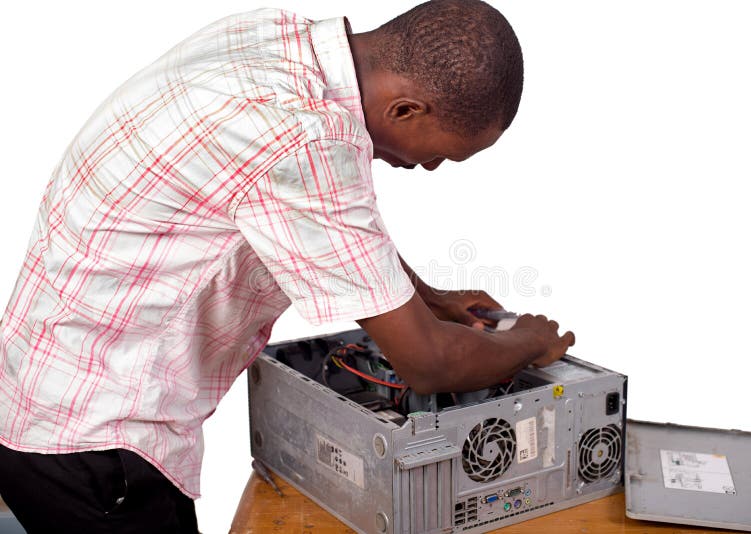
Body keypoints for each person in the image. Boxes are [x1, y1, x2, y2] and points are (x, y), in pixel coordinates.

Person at [0, 1, 574, 532]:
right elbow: (429, 364)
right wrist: (526, 342)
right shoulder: (304, 138)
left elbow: (326, 223)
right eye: (441, 154)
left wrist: (427, 297)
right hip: (91, 448)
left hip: (42, 381)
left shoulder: (278, 42)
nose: (428, 167)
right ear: (406, 108)